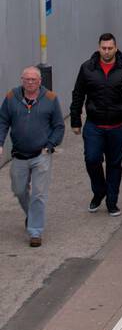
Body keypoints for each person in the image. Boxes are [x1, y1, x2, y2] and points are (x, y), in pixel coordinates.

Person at [71, 33, 122, 216]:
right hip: (94, 126)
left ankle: (112, 201)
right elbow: (78, 95)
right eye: (103, 48)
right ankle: (99, 191)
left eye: (109, 48)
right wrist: (75, 120)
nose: (106, 51)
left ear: (116, 48)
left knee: (114, 164)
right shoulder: (87, 69)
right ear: (98, 48)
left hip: (119, 126)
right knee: (91, 159)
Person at [0, 66, 64, 247]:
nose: (29, 83)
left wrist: (50, 145)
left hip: (41, 155)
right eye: (26, 79)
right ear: (22, 80)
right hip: (19, 155)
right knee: (19, 190)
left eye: (33, 80)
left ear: (40, 81)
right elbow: (3, 120)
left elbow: (59, 125)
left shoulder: (50, 99)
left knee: (38, 194)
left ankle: (35, 232)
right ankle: (32, 214)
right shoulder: (12, 97)